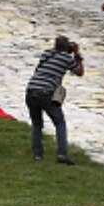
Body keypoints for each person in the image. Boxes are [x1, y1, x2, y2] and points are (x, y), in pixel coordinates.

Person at [25, 35, 84, 164]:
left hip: (31, 89)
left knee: (36, 123)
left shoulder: (46, 53)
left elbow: (38, 70)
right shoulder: (67, 58)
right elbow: (79, 72)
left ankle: (38, 155)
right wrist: (77, 55)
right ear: (68, 47)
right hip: (46, 92)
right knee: (59, 122)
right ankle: (62, 154)